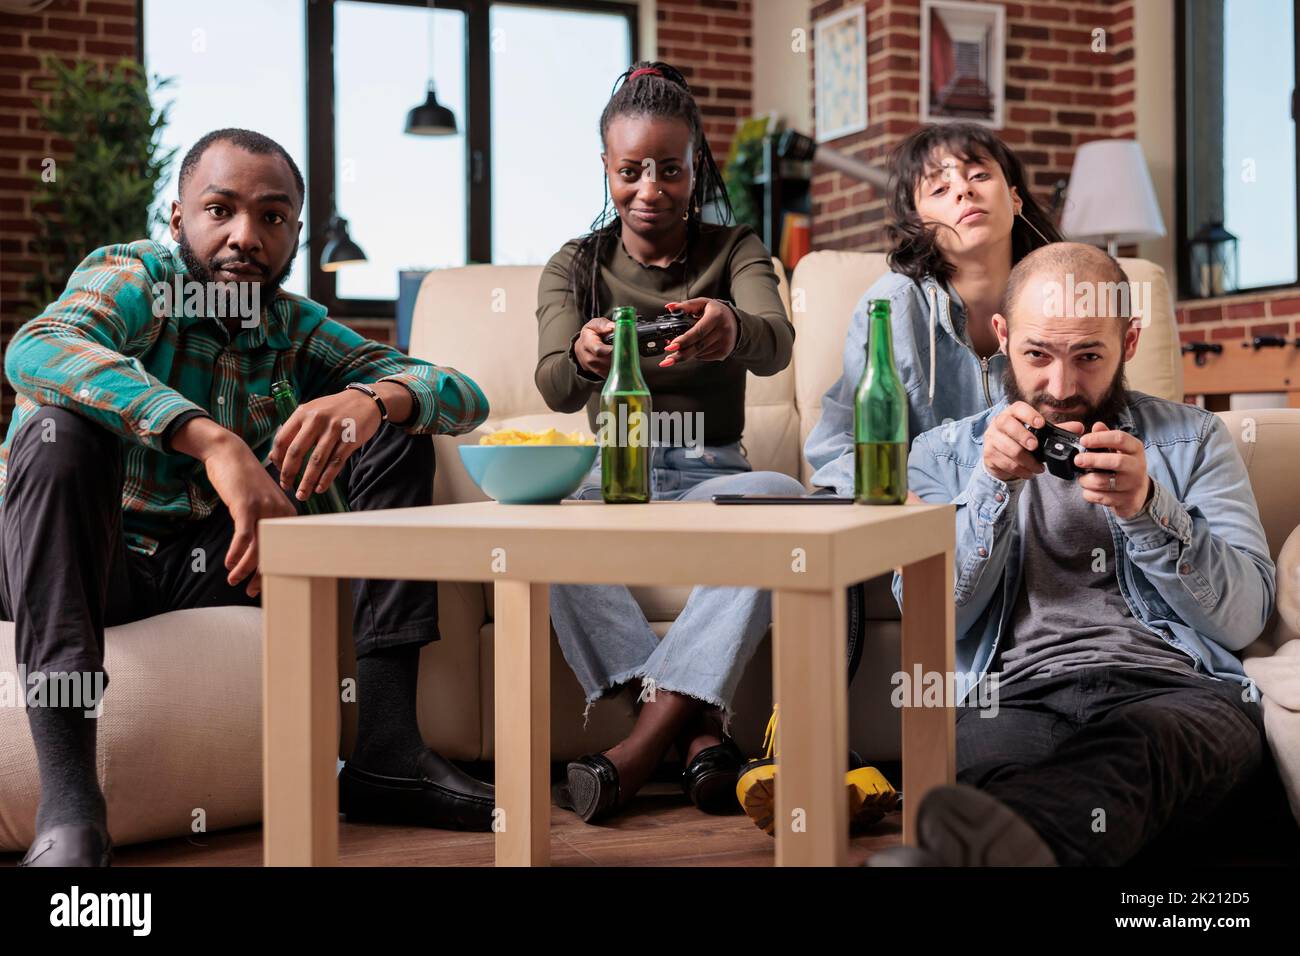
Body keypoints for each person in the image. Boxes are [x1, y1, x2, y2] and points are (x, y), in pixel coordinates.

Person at [1, 128, 496, 867]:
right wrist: (211, 441)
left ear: (294, 232)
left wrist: (374, 396)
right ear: (176, 220)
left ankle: (387, 750)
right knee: (55, 433)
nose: (245, 236)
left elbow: (463, 396)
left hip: (206, 566)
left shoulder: (296, 328)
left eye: (271, 217)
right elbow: (37, 346)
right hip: (90, 561)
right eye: (220, 209)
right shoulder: (136, 278)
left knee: (396, 428)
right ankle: (71, 804)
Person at [872, 243, 1274, 866]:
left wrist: (1148, 508)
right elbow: (933, 621)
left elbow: (1244, 619)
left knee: (1139, 749)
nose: (1060, 388)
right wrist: (988, 488)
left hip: (1171, 692)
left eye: (1088, 356)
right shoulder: (941, 454)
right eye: (1037, 354)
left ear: (1129, 343)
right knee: (990, 775)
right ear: (1001, 336)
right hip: (1012, 696)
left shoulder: (1195, 440)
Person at [534, 62, 805, 822]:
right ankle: (696, 736)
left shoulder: (736, 248)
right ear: (606, 169)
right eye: (630, 172)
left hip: (714, 473)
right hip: (613, 477)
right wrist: (584, 358)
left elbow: (777, 344)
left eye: (669, 169)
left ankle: (638, 748)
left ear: (696, 165)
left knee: (783, 504)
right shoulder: (576, 265)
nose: (649, 189)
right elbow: (555, 383)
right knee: (541, 528)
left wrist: (734, 326)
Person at [805, 123, 1063, 495]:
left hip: (1036, 512)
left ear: (1015, 198)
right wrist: (909, 511)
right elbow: (838, 448)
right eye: (940, 188)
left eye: (978, 175)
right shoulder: (892, 307)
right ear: (919, 222)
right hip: (926, 511)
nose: (964, 190)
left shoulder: (1060, 297)